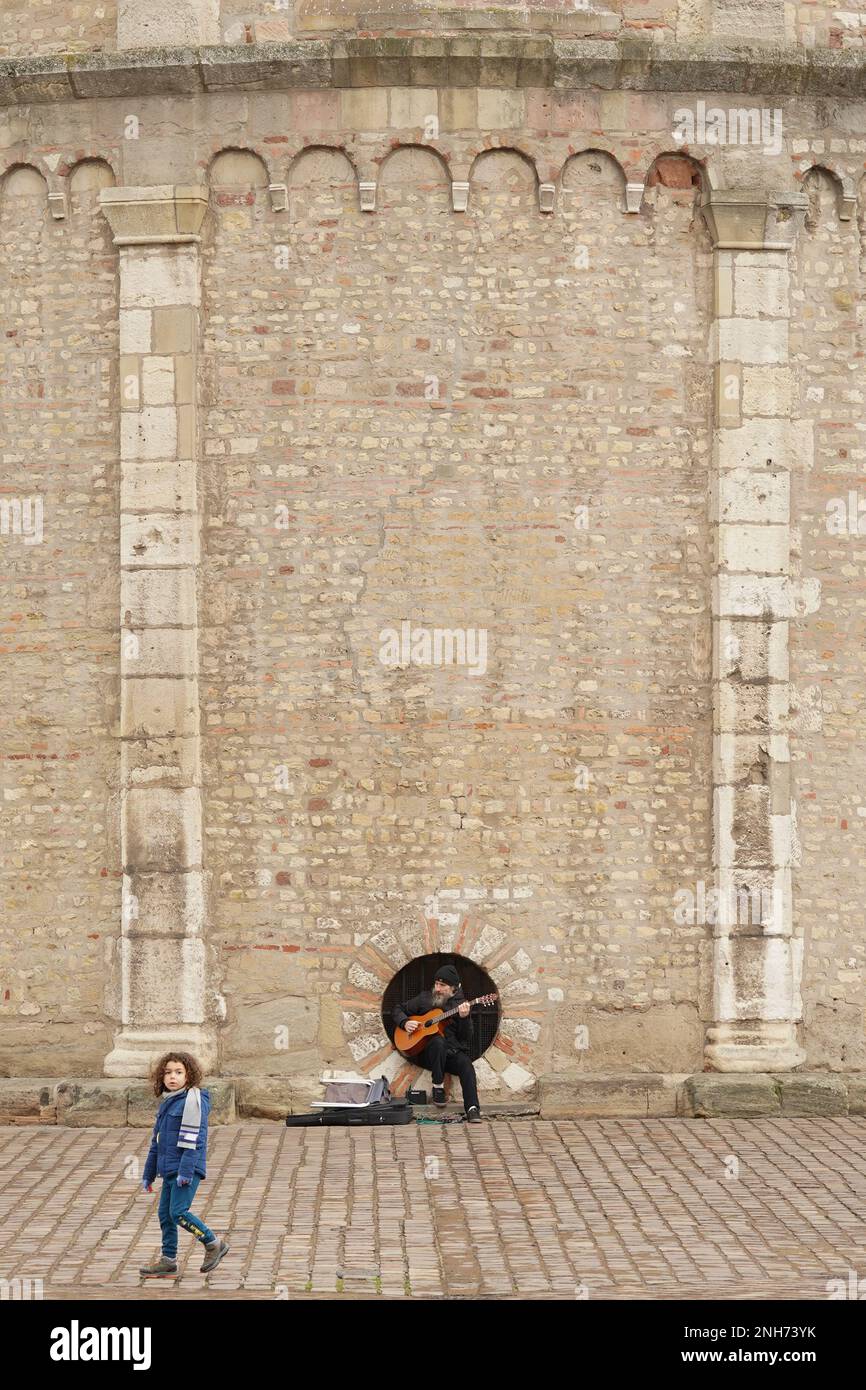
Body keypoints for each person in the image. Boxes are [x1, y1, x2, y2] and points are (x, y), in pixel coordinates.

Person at [139, 1051, 230, 1278]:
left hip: (185, 1170)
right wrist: (149, 1174)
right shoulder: (167, 1104)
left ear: (189, 1076)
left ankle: (212, 1243)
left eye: (179, 1072)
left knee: (178, 1213)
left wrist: (186, 1171)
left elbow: (194, 1141)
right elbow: (156, 1142)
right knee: (165, 1215)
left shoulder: (193, 1102)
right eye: (168, 1073)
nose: (173, 1077)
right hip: (169, 1169)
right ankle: (168, 1261)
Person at [392, 963, 483, 1122]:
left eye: (443, 985)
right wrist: (404, 1022)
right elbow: (397, 1009)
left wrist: (464, 1018)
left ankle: (472, 1108)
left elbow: (466, 1037)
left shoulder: (461, 1006)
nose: (438, 988)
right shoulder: (425, 998)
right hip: (428, 1054)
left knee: (466, 1065)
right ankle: (438, 1087)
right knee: (437, 1042)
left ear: (454, 988)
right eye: (436, 984)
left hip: (451, 1053)